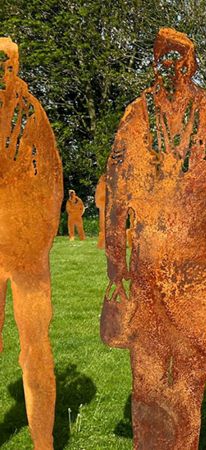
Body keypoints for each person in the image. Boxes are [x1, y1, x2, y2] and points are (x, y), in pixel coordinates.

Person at [100, 28, 206, 449]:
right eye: (163, 57)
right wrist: (116, 259)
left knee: (189, 372)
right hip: (148, 263)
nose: (169, 65)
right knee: (146, 373)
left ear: (191, 64)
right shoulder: (137, 114)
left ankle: (185, 442)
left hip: (197, 267)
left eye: (177, 57)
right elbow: (117, 187)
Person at [0, 36, 61, 449]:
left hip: (27, 255)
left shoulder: (31, 115)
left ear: (16, 66)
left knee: (35, 346)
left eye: (6, 64)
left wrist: (38, 241)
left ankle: (43, 441)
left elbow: (51, 184)